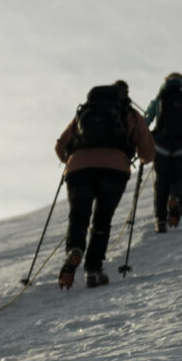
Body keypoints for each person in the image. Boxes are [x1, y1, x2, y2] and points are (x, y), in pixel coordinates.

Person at [53, 81, 154, 288]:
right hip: (115, 169)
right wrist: (135, 158)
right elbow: (148, 152)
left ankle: (75, 249)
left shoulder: (85, 111)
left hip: (78, 168)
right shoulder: (130, 114)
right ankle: (93, 269)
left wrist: (71, 161)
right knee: (102, 220)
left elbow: (60, 146)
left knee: (79, 215)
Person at [145, 73, 182, 231]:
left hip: (161, 144)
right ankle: (175, 197)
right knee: (178, 177)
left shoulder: (161, 97)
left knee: (161, 181)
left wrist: (146, 139)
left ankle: (160, 220)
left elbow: (146, 121)